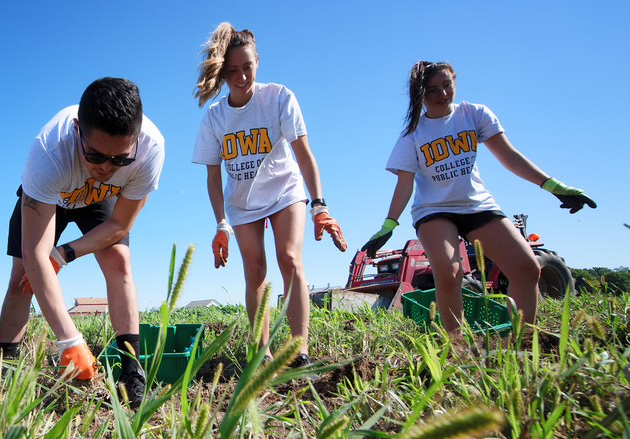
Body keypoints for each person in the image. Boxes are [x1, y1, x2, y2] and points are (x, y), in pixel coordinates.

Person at [361, 61, 596, 334]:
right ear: (420, 95)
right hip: (434, 210)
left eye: (447, 85)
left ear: (455, 83)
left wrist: (553, 185)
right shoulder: (413, 134)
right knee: (450, 273)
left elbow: (509, 156)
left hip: (477, 205)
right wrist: (389, 224)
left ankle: (521, 340)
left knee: (528, 267)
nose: (442, 94)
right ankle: (457, 346)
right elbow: (404, 185)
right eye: (432, 90)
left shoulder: (474, 114)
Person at [0, 77, 164, 408]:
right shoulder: (49, 152)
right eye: (96, 155)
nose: (106, 167)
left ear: (136, 140)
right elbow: (34, 252)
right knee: (21, 279)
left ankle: (131, 373)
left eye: (119, 160)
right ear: (76, 131)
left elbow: (119, 224)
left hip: (100, 201)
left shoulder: (151, 151)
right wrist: (69, 339)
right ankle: (4, 369)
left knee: (119, 261)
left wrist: (64, 253)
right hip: (50, 198)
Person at [191, 23, 347, 366]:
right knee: (254, 270)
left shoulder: (278, 98)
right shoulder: (214, 118)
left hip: (284, 191)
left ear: (257, 61)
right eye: (232, 71)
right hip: (243, 203)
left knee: (289, 258)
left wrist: (319, 204)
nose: (241, 77)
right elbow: (213, 177)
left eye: (247, 67)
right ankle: (262, 354)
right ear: (223, 72)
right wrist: (221, 224)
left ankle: (299, 351)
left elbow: (304, 155)